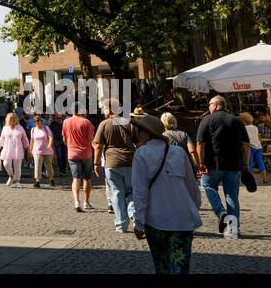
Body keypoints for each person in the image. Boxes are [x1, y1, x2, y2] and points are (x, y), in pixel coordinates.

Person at [130, 114, 201, 274]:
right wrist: (194, 207)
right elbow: (192, 186)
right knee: (181, 267)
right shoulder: (179, 152)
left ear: (147, 133)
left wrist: (139, 222)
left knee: (162, 267)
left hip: (156, 220)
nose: (137, 133)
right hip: (182, 218)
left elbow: (140, 192)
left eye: (140, 130)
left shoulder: (141, 154)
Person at [195, 95, 250, 238]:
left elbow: (200, 143)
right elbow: (246, 144)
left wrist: (201, 163)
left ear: (214, 105)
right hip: (234, 164)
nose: (208, 108)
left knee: (207, 186)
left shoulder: (207, 119)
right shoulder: (237, 121)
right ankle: (232, 229)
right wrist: (245, 163)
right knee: (232, 195)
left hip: (212, 164)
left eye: (209, 105)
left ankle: (221, 213)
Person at [93, 101, 136, 233]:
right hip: (130, 161)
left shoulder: (104, 124)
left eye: (105, 109)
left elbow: (98, 146)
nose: (103, 112)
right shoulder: (129, 123)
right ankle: (135, 217)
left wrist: (96, 163)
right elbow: (139, 142)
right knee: (131, 191)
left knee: (116, 193)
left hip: (112, 163)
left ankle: (121, 225)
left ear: (110, 110)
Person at [63, 106, 96, 212]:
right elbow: (91, 139)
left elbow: (64, 138)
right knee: (87, 178)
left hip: (72, 153)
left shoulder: (66, 122)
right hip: (86, 153)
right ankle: (86, 202)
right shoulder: (87, 122)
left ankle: (77, 202)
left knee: (76, 178)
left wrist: (70, 146)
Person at [0, 112, 30, 186]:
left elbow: (25, 139)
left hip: (17, 148)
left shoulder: (20, 128)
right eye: (12, 118)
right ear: (9, 120)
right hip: (7, 148)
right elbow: (1, 139)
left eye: (15, 118)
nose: (14, 120)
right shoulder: (5, 128)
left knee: (17, 166)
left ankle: (17, 181)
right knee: (6, 164)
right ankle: (11, 176)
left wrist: (27, 148)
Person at [30, 113, 57, 188]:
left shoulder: (46, 128)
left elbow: (51, 137)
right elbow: (32, 140)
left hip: (47, 150)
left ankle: (51, 179)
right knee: (37, 165)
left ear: (41, 121)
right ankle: (37, 181)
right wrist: (30, 149)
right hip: (37, 150)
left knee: (48, 165)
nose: (36, 122)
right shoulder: (33, 130)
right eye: (35, 121)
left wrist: (50, 144)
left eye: (38, 120)